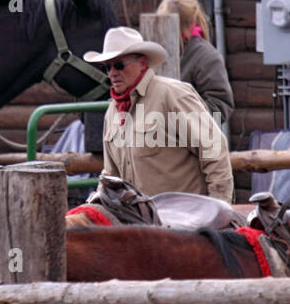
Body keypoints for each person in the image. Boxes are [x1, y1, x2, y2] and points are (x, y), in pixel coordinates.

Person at [83, 27, 233, 202]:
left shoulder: (173, 94)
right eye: (107, 67)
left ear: (142, 63)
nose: (113, 73)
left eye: (119, 65)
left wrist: (219, 208)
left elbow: (214, 150)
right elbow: (111, 174)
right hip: (140, 221)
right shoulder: (113, 111)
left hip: (187, 218)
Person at [156, 0, 235, 129]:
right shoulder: (156, 53)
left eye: (165, 24)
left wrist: (184, 123)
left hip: (194, 144)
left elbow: (220, 105)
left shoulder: (207, 57)